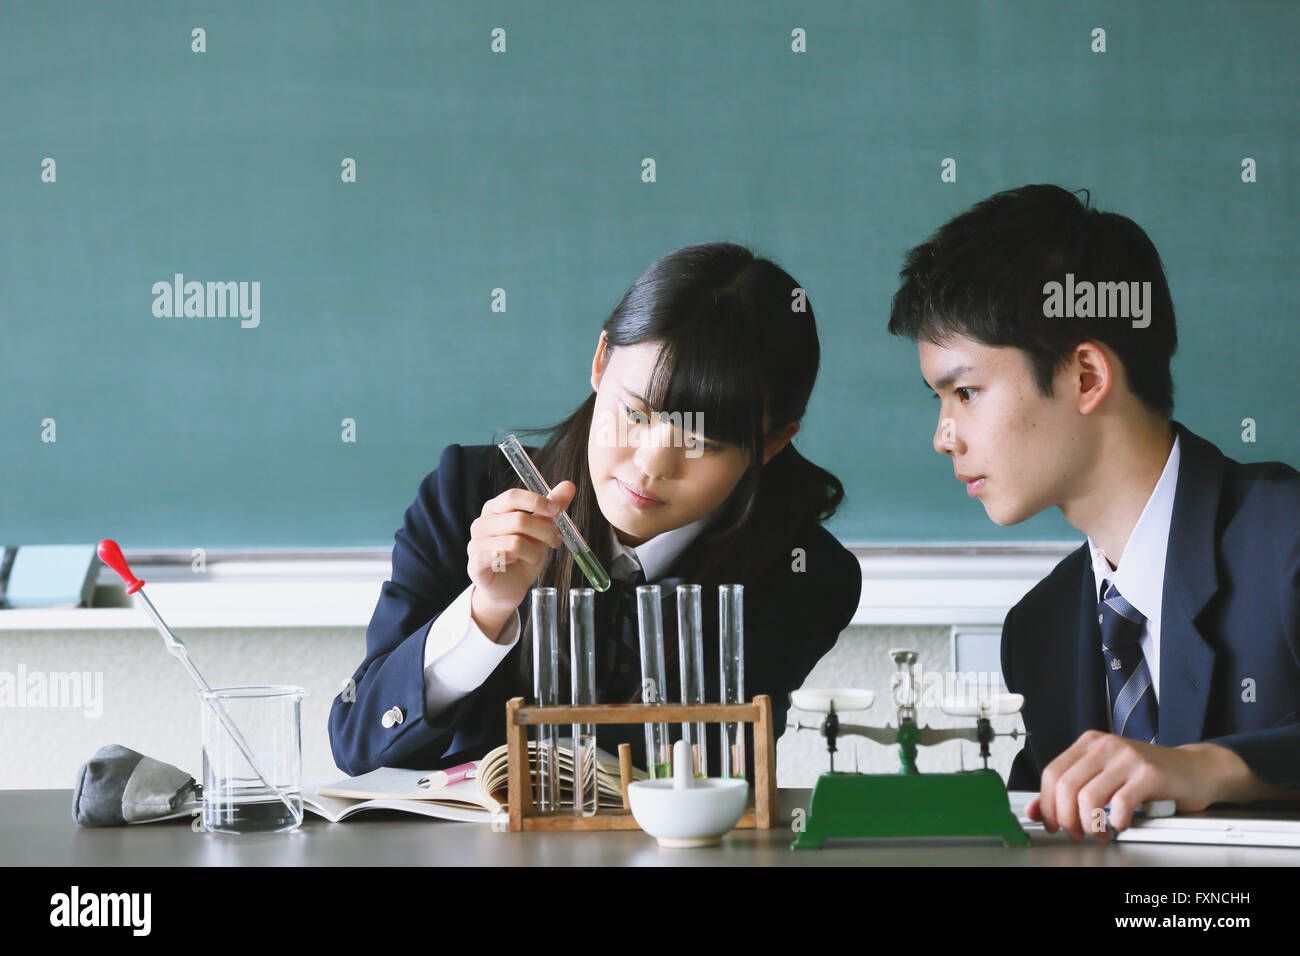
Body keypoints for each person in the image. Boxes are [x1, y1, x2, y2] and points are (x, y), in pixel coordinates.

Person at [329, 241, 862, 783]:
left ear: (771, 443)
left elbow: (692, 770)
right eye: (634, 414)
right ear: (601, 360)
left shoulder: (804, 574)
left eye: (704, 441)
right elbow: (358, 742)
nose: (653, 464)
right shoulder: (468, 495)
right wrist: (485, 610)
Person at [887, 184, 1300, 840]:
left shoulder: (1285, 540)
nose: (944, 436)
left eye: (965, 392)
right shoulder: (1040, 630)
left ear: (1086, 376)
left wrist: (1212, 767)